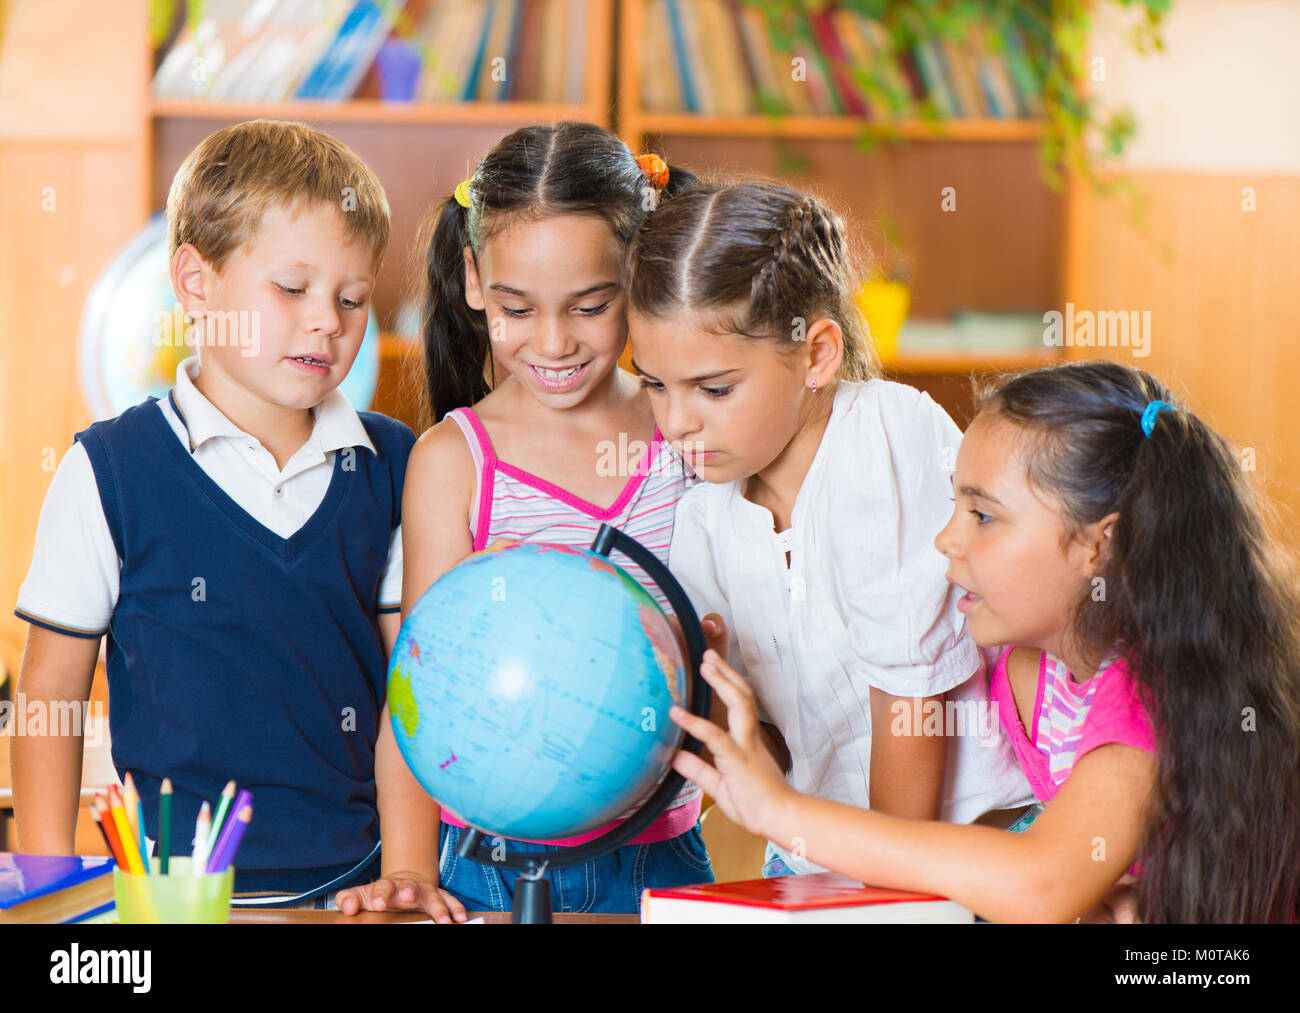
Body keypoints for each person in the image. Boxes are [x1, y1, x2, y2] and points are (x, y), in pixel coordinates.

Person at [671, 359, 1300, 923]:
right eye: (954, 506)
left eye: (983, 515)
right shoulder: (1035, 675)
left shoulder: (1144, 708)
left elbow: (1039, 885)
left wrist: (781, 811)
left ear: (1097, 546)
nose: (945, 539)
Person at [12, 119, 412, 905]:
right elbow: (50, 693)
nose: (328, 320)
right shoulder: (109, 470)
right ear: (195, 283)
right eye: (292, 288)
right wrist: (48, 884)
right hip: (170, 898)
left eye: (353, 298)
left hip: (353, 890)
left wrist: (406, 872)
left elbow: (413, 697)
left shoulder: (395, 465)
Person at [336, 123, 720, 920]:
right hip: (485, 869)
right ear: (474, 280)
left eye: (591, 305)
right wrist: (408, 869)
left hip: (662, 854)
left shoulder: (686, 433)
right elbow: (419, 691)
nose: (553, 342)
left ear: (640, 273)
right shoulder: (455, 461)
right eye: (518, 307)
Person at [625, 180, 1034, 877]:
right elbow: (773, 748)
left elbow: (911, 704)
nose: (676, 422)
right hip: (826, 855)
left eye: (714, 389)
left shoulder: (884, 438)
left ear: (816, 354)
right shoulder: (703, 510)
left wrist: (878, 895)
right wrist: (705, 698)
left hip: (959, 852)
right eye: (655, 384)